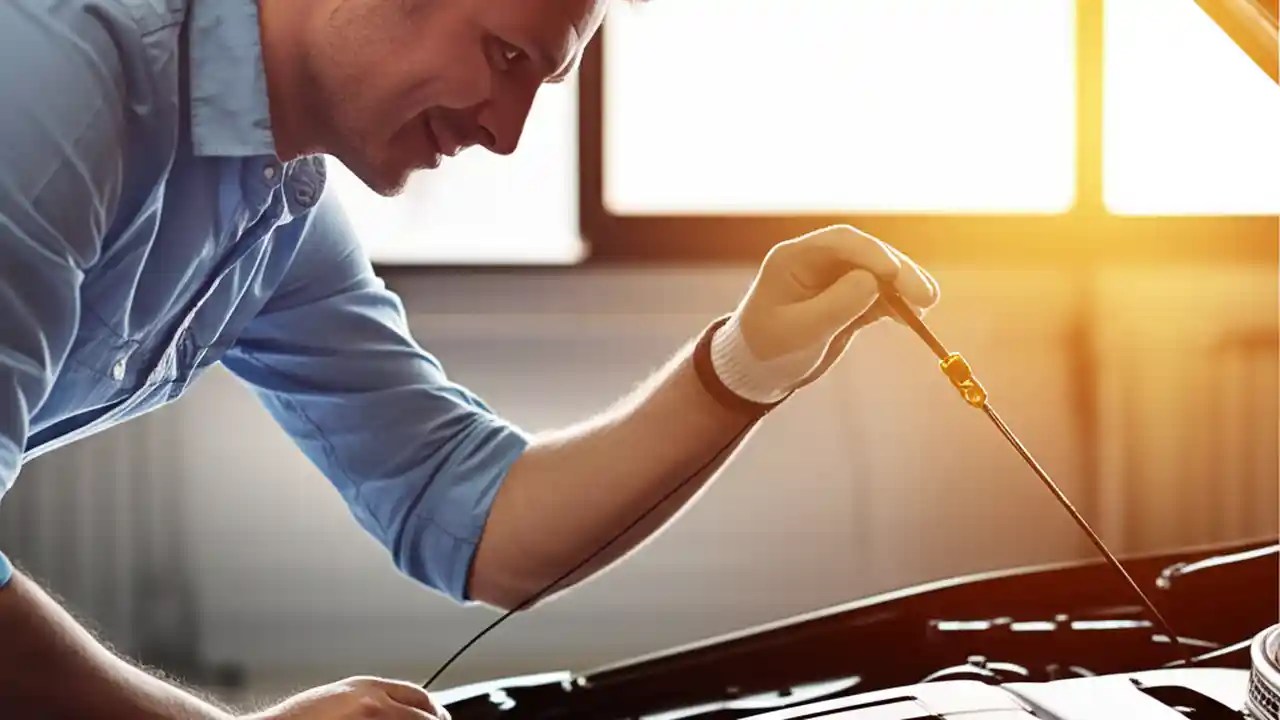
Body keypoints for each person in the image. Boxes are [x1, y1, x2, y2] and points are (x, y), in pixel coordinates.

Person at [0, 0, 940, 717]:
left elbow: (474, 517)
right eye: (505, 56)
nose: (507, 132)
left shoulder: (276, 211)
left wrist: (746, 364)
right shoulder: (53, 74)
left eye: (539, 83)